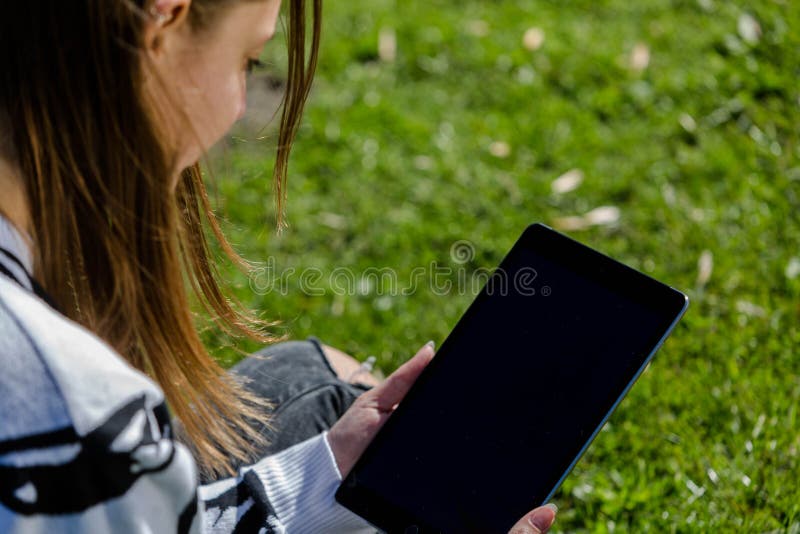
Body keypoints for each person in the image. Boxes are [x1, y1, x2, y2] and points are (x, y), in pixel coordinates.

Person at [0, 0, 559, 532]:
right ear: (162, 21)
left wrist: (324, 476)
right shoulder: (75, 412)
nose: (241, 104)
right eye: (248, 59)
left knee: (313, 381)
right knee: (325, 390)